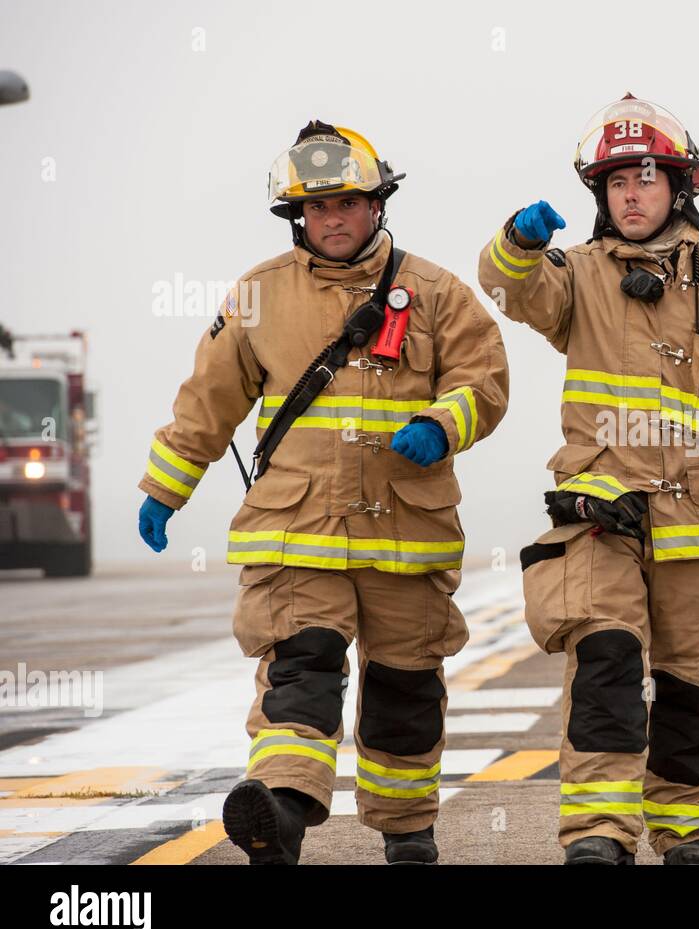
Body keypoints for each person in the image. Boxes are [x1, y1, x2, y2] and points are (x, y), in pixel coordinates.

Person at [137, 120, 509, 864]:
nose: (332, 219)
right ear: (296, 217)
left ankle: (408, 835)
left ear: (378, 204)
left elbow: (486, 380)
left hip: (408, 535)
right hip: (296, 534)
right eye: (316, 208)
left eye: (347, 203)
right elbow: (208, 402)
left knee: (404, 693)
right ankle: (281, 812)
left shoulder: (437, 293)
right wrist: (164, 488)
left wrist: (445, 423)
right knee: (300, 672)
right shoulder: (256, 296)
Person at [478, 94, 699, 864]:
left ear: (678, 186)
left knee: (693, 689)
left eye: (645, 178)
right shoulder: (577, 277)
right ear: (599, 195)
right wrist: (516, 245)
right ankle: (597, 837)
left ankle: (683, 833)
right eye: (616, 182)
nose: (630, 194)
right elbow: (509, 289)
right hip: (602, 514)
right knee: (605, 666)